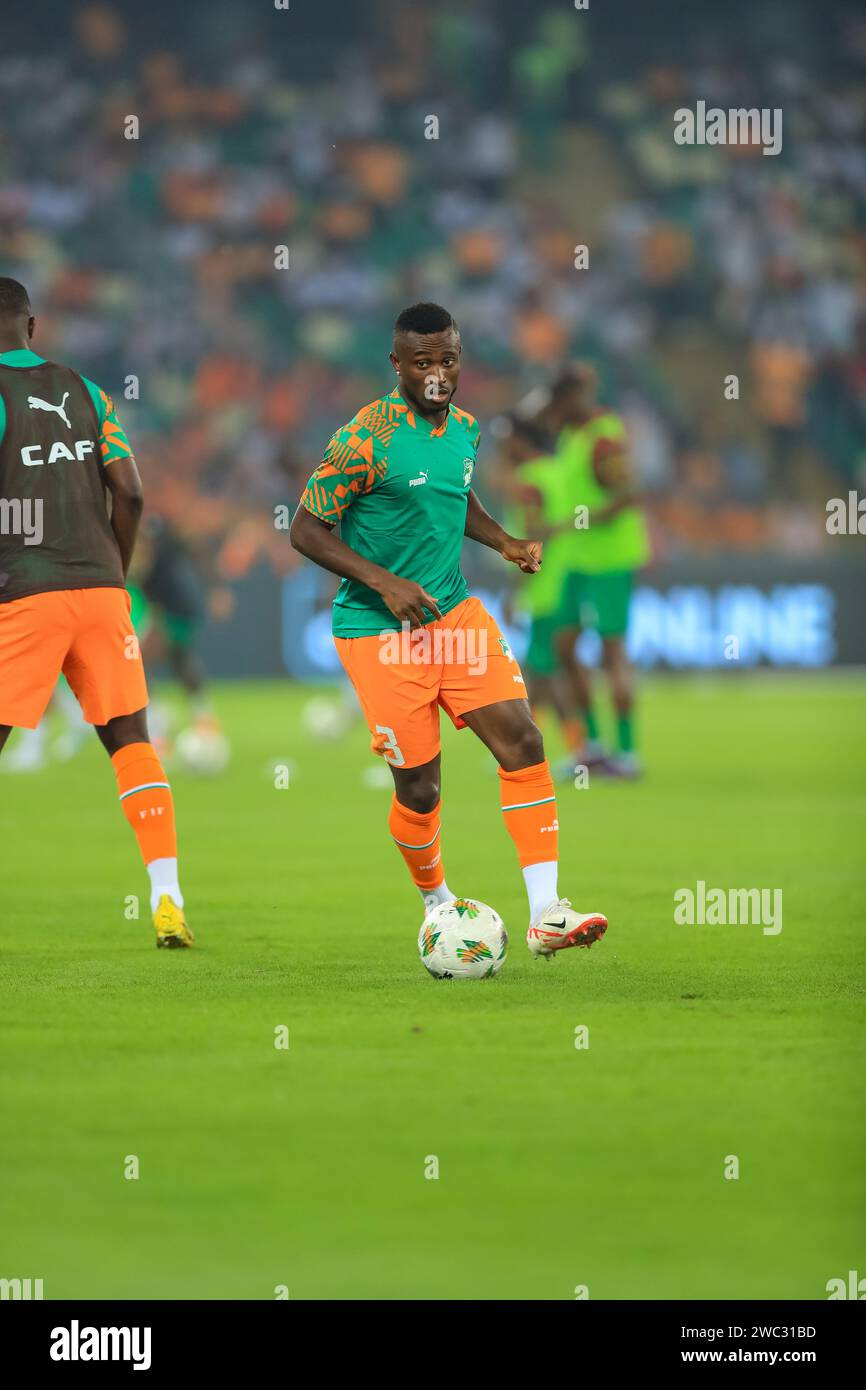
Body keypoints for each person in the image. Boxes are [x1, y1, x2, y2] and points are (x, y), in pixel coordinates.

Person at [290, 302, 607, 959]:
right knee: (421, 788)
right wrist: (385, 582)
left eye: (449, 360)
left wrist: (504, 542)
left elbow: (456, 498)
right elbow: (305, 529)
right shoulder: (363, 437)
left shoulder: (464, 430)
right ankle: (437, 901)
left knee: (522, 739)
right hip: (379, 631)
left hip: (454, 617)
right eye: (424, 362)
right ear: (397, 364)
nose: (438, 373)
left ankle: (546, 912)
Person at [0, 277, 192, 947]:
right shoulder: (87, 392)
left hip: (24, 590)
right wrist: (115, 563)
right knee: (131, 740)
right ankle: (167, 896)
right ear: (32, 326)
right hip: (104, 592)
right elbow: (131, 493)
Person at [544, 365, 650, 779]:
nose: (553, 413)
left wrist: (570, 524)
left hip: (609, 560)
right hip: (577, 561)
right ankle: (589, 747)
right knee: (564, 647)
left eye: (558, 403)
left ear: (573, 398)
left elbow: (627, 496)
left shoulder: (604, 438)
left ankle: (626, 753)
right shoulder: (573, 436)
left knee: (611, 650)